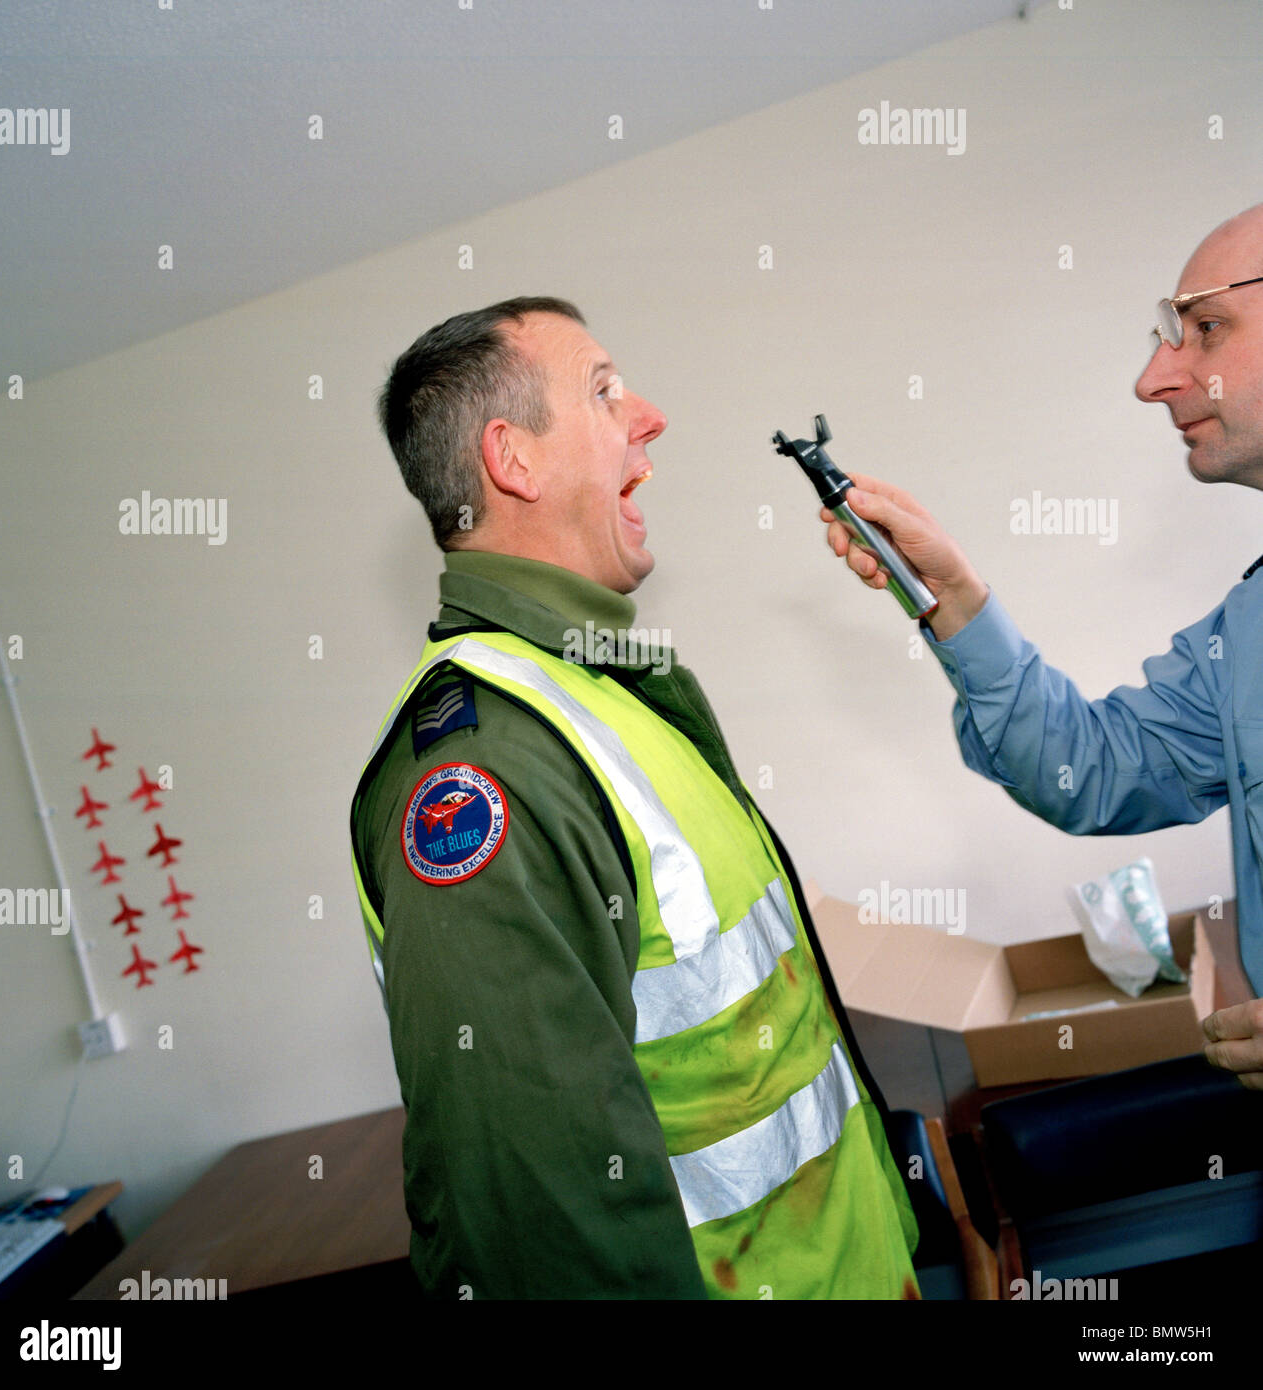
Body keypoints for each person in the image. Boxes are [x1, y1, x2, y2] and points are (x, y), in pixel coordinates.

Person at [350, 296, 920, 1298]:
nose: (648, 414)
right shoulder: (483, 772)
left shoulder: (605, 696)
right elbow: (537, 1228)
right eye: (605, 391)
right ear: (512, 461)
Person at [822, 204, 1263, 1092]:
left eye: (1204, 328)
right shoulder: (1245, 629)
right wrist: (953, 598)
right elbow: (1091, 770)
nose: (1151, 379)